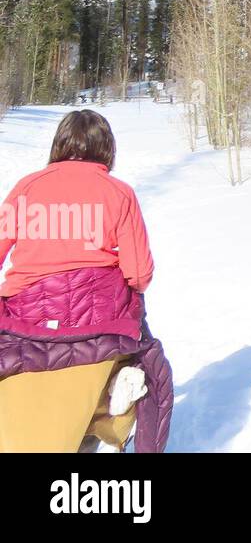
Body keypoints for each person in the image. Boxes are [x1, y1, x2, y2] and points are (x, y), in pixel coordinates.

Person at [0, 110, 168, 452]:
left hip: (28, 320)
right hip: (98, 320)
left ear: (60, 144)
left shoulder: (26, 188)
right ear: (107, 149)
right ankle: (113, 405)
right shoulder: (119, 193)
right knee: (147, 364)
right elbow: (139, 273)